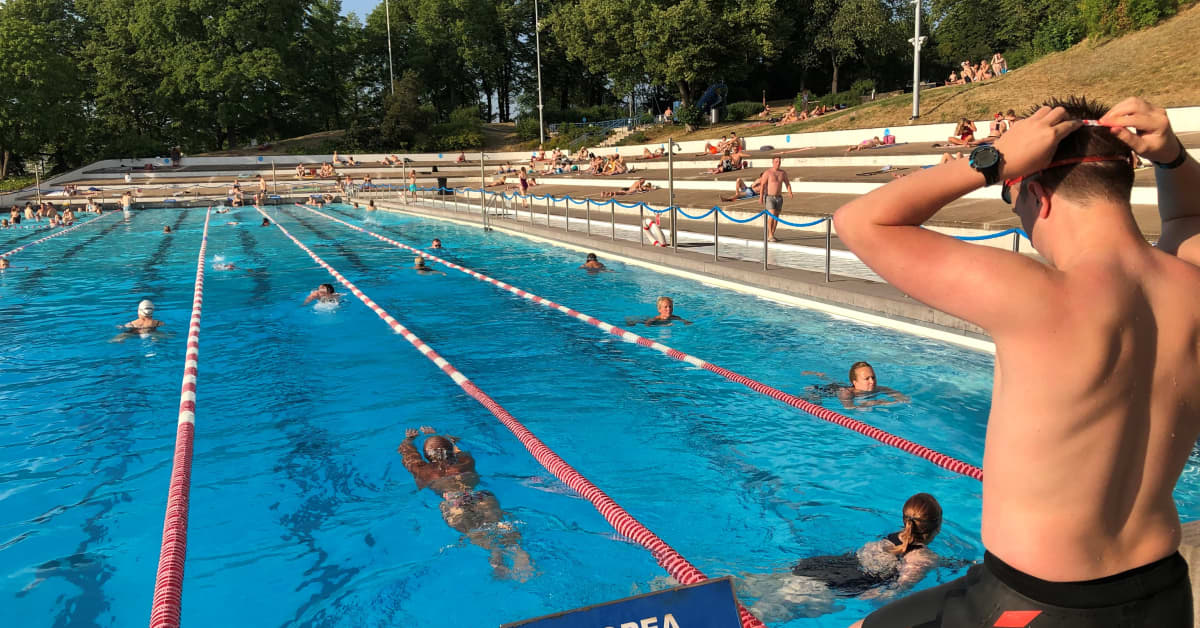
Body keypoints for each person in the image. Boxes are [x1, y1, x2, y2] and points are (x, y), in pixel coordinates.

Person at [835, 96, 1197, 627]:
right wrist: (1173, 157)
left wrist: (992, 160)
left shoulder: (1038, 294)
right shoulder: (1190, 282)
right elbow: (1189, 217)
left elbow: (860, 222)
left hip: (1041, 606)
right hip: (1162, 591)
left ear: (1038, 195)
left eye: (1015, 202)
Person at [742, 494, 944, 623]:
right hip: (837, 583)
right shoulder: (923, 558)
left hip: (823, 564)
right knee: (760, 614)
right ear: (938, 527)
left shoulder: (892, 537)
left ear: (905, 519)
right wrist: (873, 595)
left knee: (752, 586)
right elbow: (890, 595)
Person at [398, 426, 532, 579]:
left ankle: (496, 558)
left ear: (427, 457)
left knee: (475, 532)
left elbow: (408, 456)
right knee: (498, 524)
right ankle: (518, 551)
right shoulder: (466, 462)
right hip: (480, 496)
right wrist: (442, 437)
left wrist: (409, 440)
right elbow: (457, 449)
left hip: (454, 502)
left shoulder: (423, 471)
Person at [804, 362, 910, 410]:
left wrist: (899, 400)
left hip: (840, 386)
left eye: (873, 377)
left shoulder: (879, 388)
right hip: (823, 391)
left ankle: (821, 375)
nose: (872, 381)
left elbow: (902, 398)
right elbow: (850, 409)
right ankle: (819, 376)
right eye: (867, 379)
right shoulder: (846, 393)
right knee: (815, 402)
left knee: (837, 383)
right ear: (855, 382)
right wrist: (872, 404)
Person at [757, 157, 793, 242]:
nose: (778, 163)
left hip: (779, 197)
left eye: (779, 162)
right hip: (770, 197)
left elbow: (787, 183)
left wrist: (790, 192)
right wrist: (761, 197)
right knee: (772, 215)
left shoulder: (782, 173)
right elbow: (762, 185)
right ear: (773, 162)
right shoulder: (768, 173)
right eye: (776, 161)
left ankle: (772, 234)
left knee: (776, 217)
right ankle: (770, 234)